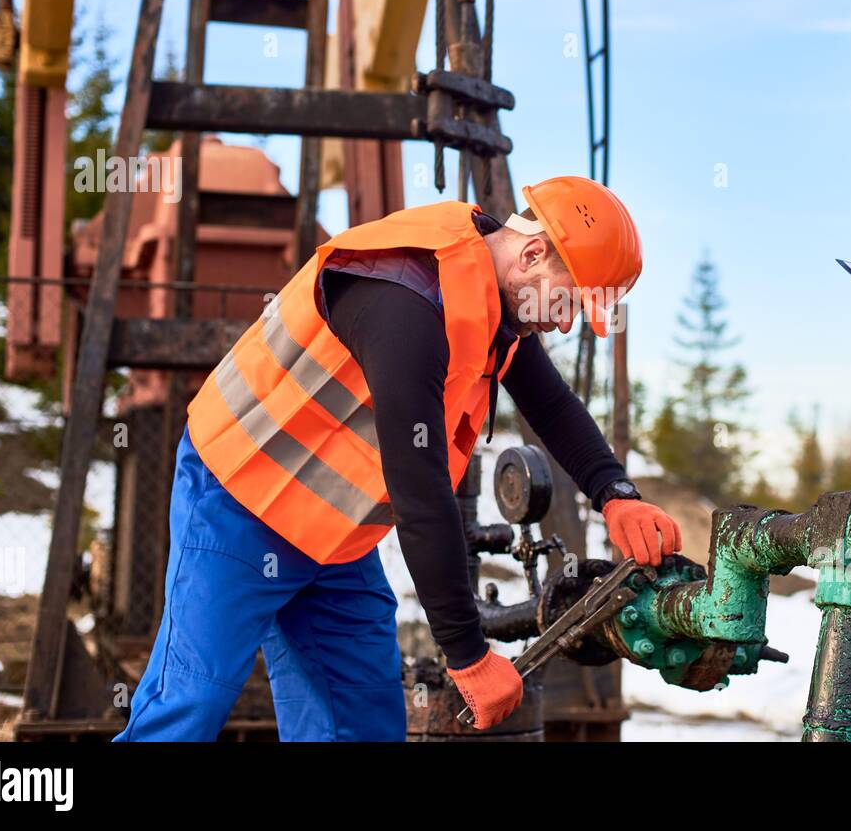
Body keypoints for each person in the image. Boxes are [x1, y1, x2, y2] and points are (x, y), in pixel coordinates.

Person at [114, 176, 682, 740]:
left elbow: (552, 406)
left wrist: (615, 495)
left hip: (334, 535)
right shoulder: (405, 298)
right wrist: (468, 656)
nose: (563, 322)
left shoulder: (493, 297)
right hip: (241, 499)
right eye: (568, 302)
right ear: (533, 253)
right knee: (188, 708)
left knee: (359, 728)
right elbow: (421, 492)